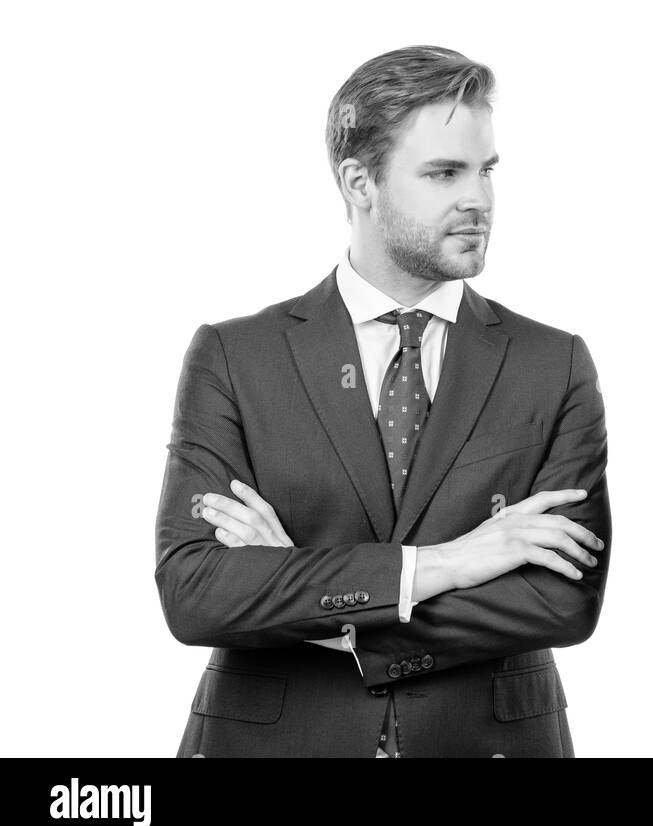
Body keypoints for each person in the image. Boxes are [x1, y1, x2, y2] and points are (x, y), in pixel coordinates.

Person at [154, 45, 612, 757]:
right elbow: (196, 592)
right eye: (444, 173)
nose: (479, 200)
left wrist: (301, 593)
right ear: (359, 182)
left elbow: (562, 599)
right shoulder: (236, 357)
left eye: (486, 170)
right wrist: (446, 564)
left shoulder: (552, 364)